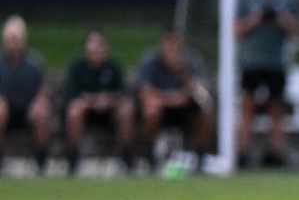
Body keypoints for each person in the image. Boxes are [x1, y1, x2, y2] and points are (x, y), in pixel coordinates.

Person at [234, 0, 299, 168]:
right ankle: (243, 153)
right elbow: (235, 29)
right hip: (252, 62)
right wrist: (256, 19)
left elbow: (296, 29)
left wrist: (280, 18)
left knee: (276, 109)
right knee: (247, 107)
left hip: (275, 62)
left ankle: (276, 153)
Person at [134, 29, 213, 170]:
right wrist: (174, 98)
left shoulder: (190, 60)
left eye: (175, 43)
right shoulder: (150, 62)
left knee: (206, 111)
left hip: (185, 109)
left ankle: (200, 157)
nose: (172, 48)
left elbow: (203, 93)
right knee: (151, 111)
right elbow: (146, 94)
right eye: (168, 43)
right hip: (163, 108)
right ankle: (149, 157)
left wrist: (184, 73)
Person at [62, 28, 134, 174]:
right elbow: (71, 94)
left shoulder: (114, 66)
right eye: (92, 47)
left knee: (127, 109)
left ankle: (126, 154)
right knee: (74, 110)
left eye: (99, 47)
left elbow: (122, 92)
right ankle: (73, 155)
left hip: (109, 111)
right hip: (86, 111)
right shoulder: (77, 67)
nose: (96, 51)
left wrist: (108, 99)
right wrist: (91, 100)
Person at [0, 15, 54, 174]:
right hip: (5, 112)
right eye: (10, 39)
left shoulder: (35, 63)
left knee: (41, 112)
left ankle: (41, 159)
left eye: (16, 38)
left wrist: (39, 101)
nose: (13, 43)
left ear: (24, 39)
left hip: (28, 110)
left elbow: (44, 89)